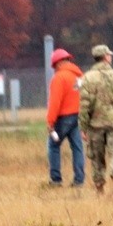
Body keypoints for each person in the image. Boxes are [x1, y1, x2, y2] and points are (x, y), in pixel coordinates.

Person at [76, 43, 113, 198]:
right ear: (106, 57)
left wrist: (82, 127)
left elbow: (84, 105)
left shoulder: (87, 78)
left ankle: (99, 190)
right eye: (109, 55)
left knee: (97, 158)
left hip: (95, 125)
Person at [45, 48, 85, 187]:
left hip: (63, 118)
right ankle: (79, 180)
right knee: (77, 148)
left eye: (55, 65)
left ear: (59, 63)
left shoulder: (59, 78)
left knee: (53, 146)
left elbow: (55, 102)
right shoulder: (79, 77)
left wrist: (50, 122)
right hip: (78, 116)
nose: (55, 69)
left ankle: (56, 180)